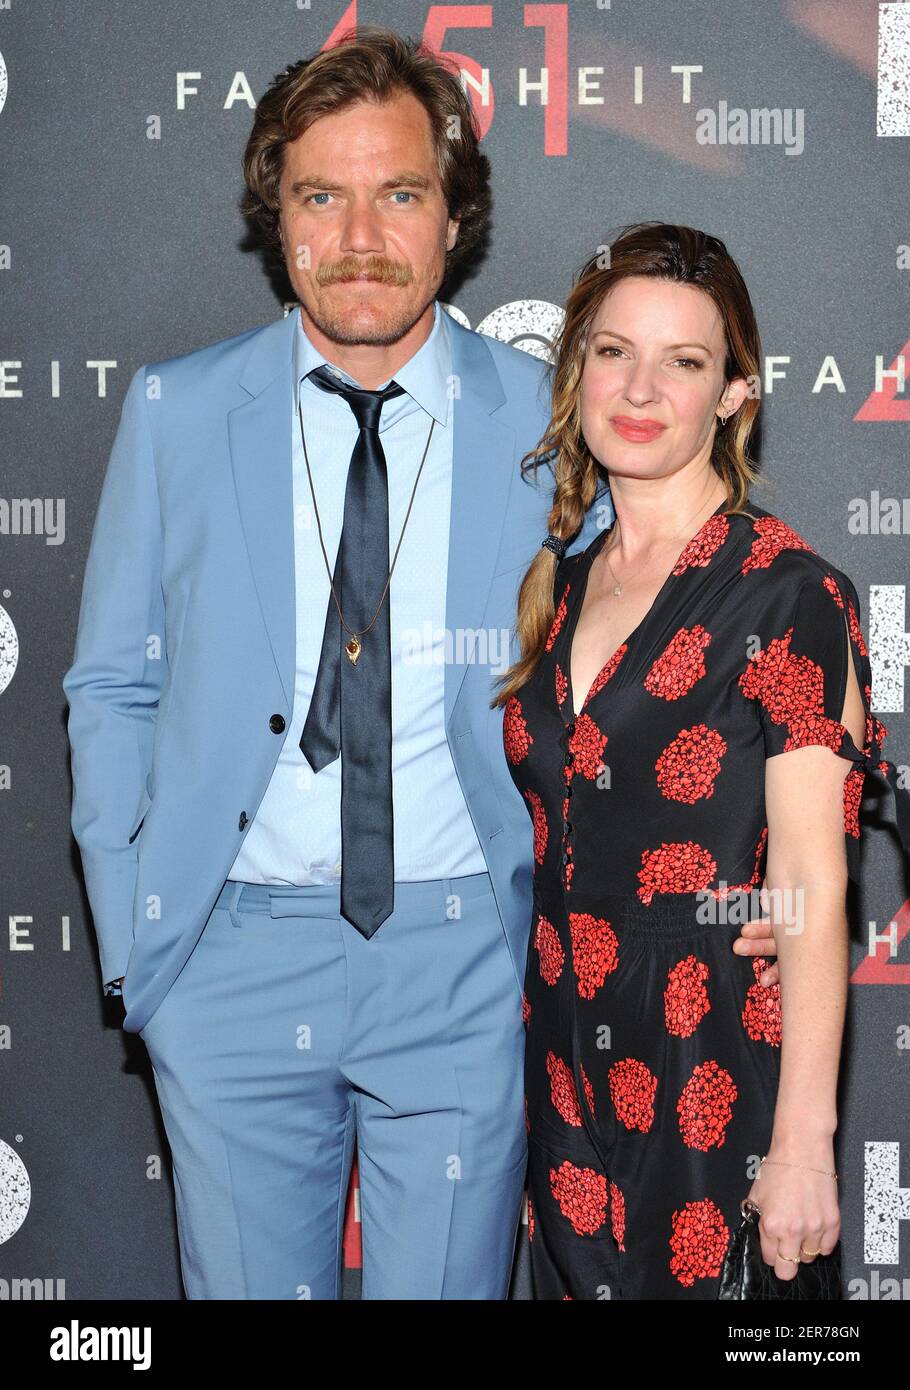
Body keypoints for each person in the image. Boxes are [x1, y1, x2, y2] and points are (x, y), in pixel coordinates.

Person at [62, 29, 779, 1301]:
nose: (358, 236)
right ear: (271, 217)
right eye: (317, 196)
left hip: (463, 958)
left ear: (455, 216)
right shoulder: (179, 412)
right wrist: (141, 952)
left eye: (398, 193)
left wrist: (775, 836)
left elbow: (682, 635)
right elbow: (115, 685)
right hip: (227, 955)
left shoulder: (548, 424)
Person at [496, 222, 910, 1300]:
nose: (640, 388)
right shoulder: (565, 582)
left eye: (683, 361)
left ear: (733, 393)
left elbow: (813, 885)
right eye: (613, 351)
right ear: (576, 367)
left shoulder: (786, 594)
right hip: (566, 1075)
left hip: (715, 1068)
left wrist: (804, 1144)